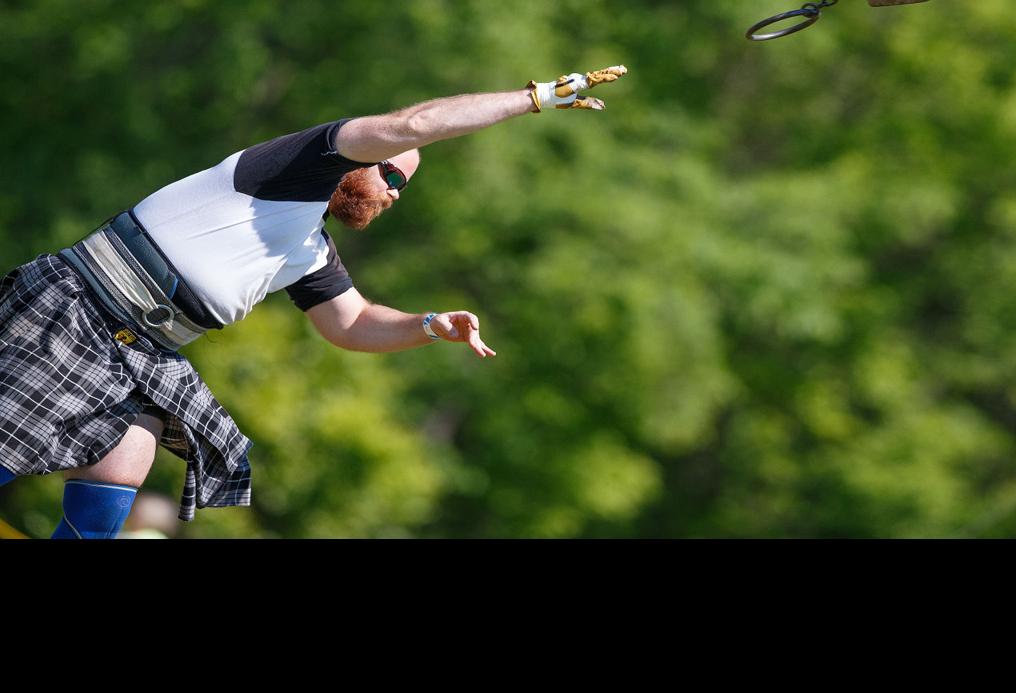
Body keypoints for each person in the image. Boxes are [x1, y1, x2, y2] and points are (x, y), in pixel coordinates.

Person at [0, 65, 629, 539]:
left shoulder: (307, 246)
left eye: (402, 186)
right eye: (389, 172)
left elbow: (352, 323)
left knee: (126, 457)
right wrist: (535, 98)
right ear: (358, 159)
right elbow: (413, 126)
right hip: (81, 308)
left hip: (141, 349)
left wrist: (431, 324)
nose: (393, 191)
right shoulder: (290, 169)